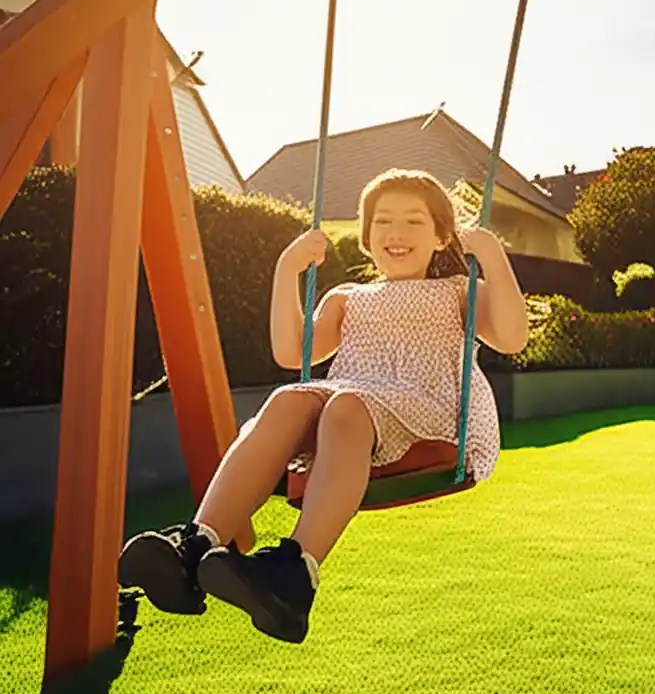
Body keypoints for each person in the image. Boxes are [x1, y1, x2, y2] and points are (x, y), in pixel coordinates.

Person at [118, 168, 528, 643]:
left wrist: (494, 259)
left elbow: (512, 337)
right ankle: (193, 547)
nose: (396, 233)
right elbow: (292, 354)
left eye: (414, 221)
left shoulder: (458, 292)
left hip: (428, 412)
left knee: (346, 405)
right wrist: (287, 269)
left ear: (441, 237)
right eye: (383, 221)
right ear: (366, 237)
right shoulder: (347, 299)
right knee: (288, 399)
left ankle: (295, 575)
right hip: (350, 409)